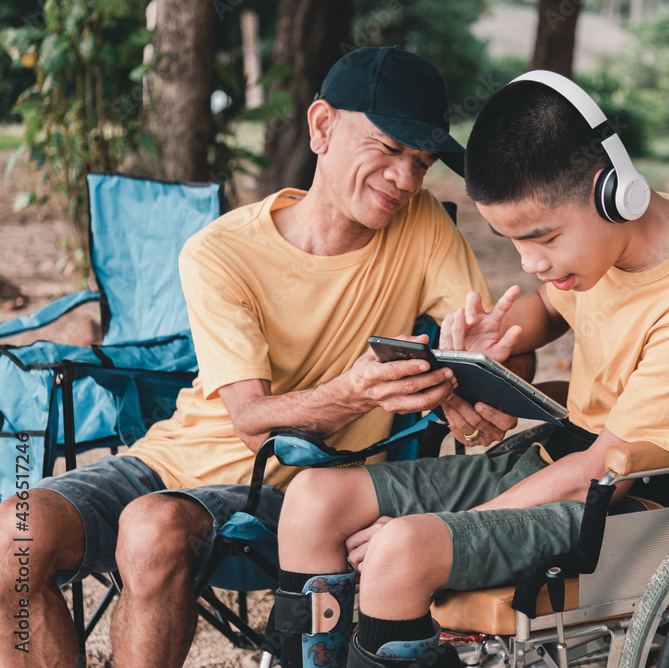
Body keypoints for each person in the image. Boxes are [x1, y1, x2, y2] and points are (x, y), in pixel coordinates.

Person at [0, 46, 495, 668]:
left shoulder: (421, 225)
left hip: (296, 493)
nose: (406, 178)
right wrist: (361, 390)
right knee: (14, 533)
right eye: (389, 148)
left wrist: (486, 364)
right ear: (322, 127)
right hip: (170, 460)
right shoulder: (222, 250)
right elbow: (250, 418)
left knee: (152, 529)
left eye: (421, 162)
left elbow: (483, 342)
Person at [275, 71, 669, 668]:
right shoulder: (614, 241)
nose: (532, 263)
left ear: (615, 190)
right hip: (561, 466)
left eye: (544, 237)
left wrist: (444, 525)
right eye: (512, 241)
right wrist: (496, 341)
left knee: (402, 550)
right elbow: (551, 309)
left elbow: (597, 473)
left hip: (634, 504)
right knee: (312, 500)